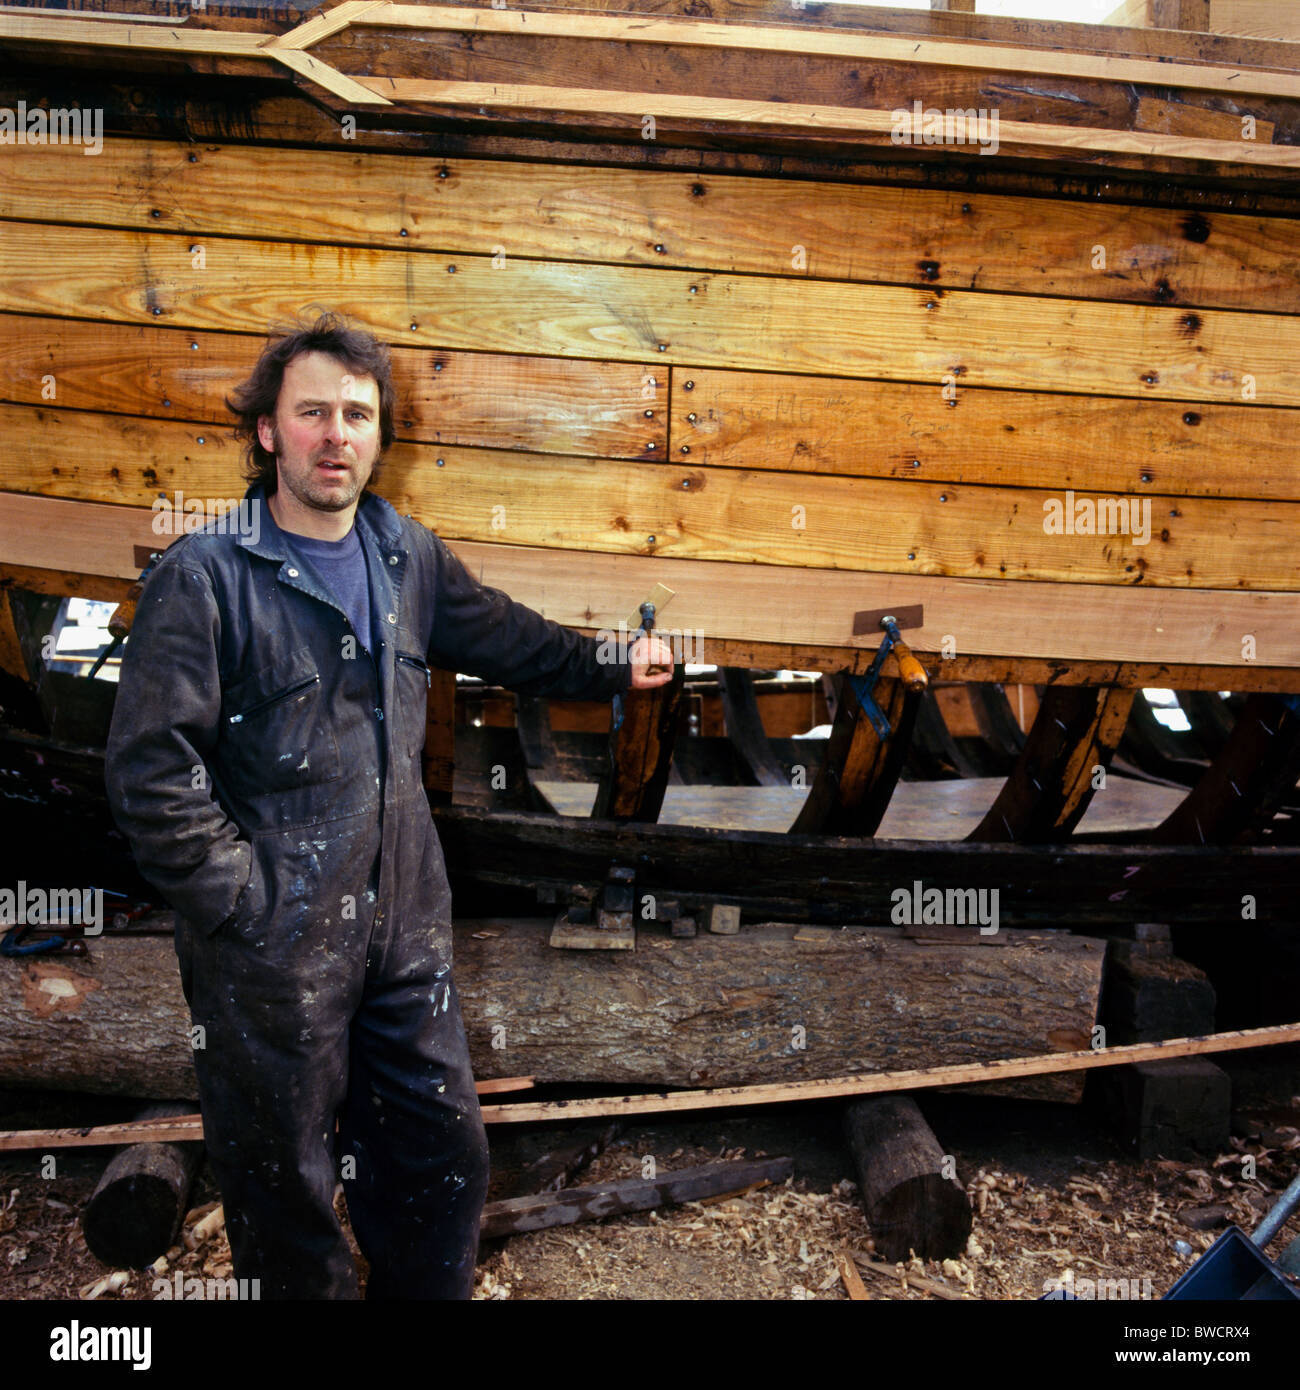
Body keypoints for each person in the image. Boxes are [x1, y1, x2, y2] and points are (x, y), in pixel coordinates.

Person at [104, 312, 674, 1299]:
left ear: (379, 436)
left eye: (357, 414)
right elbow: (151, 774)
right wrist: (244, 900)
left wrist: (614, 663)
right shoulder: (205, 577)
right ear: (268, 432)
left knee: (438, 1159)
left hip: (403, 929)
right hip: (269, 951)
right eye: (313, 412)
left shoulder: (404, 553)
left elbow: (508, 636)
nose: (337, 435)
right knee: (283, 1188)